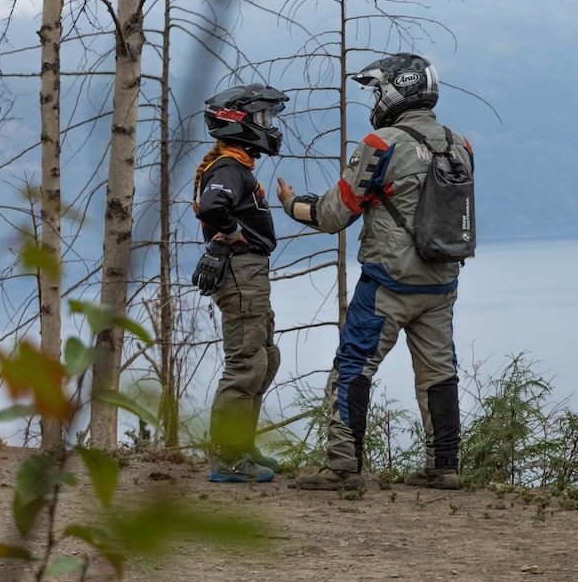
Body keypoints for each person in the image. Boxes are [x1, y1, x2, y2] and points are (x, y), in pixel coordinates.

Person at [279, 53, 472, 491]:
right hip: (442, 281)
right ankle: (444, 466)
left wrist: (292, 204)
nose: (372, 98)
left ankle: (343, 466)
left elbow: (333, 214)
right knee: (439, 372)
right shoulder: (459, 144)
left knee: (353, 365)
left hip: (389, 281)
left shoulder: (381, 144)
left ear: (392, 90)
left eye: (374, 89)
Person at [194, 83, 289, 484]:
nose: (270, 126)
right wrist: (232, 231)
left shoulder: (235, 166)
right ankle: (228, 458)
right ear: (240, 122)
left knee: (265, 357)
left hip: (249, 272)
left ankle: (241, 444)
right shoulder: (228, 169)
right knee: (246, 363)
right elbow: (213, 207)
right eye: (263, 119)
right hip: (240, 271)